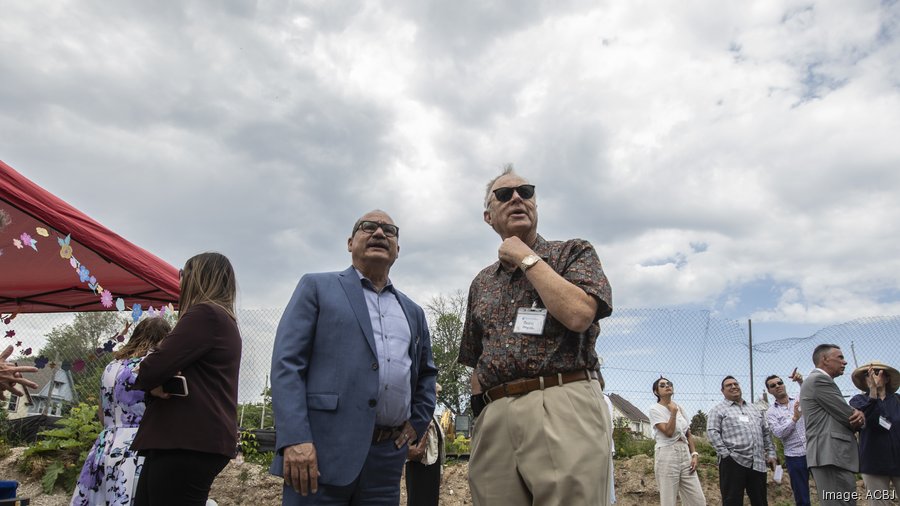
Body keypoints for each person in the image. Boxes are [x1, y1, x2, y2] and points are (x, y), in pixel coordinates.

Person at [458, 166, 614, 505]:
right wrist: (481, 418)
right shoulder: (481, 283)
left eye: (525, 192)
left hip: (561, 400)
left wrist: (525, 257)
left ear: (535, 205)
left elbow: (579, 314)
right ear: (489, 216)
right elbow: (476, 360)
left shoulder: (572, 253)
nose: (516, 197)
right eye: (504, 194)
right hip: (494, 415)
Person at [270, 210, 438, 505]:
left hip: (385, 465)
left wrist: (418, 421)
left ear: (398, 248)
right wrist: (295, 439)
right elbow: (287, 365)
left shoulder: (413, 312)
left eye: (389, 230)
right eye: (368, 227)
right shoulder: (317, 288)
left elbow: (426, 374)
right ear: (350, 243)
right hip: (317, 457)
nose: (379, 233)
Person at [131, 252, 243, 506]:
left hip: (186, 440)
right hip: (194, 440)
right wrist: (156, 384)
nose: (180, 281)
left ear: (200, 278)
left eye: (184, 274)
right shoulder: (225, 320)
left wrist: (154, 380)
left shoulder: (205, 315)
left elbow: (151, 367)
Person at [71, 316, 172, 506]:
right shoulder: (152, 366)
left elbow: (102, 415)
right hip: (138, 447)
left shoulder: (111, 366)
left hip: (104, 444)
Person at [800, 344, 865, 506]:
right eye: (840, 357)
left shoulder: (816, 381)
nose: (845, 362)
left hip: (830, 456)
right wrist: (860, 415)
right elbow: (849, 416)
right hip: (831, 455)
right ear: (825, 360)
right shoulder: (819, 380)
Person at [707, 376, 777, 506]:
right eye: (729, 385)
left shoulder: (755, 409)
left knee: (761, 501)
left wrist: (771, 454)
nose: (733, 386)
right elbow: (712, 432)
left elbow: (766, 433)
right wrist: (726, 455)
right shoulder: (718, 410)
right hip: (733, 462)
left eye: (735, 384)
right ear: (722, 391)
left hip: (758, 462)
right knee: (732, 501)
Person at [849, 360, 900, 505]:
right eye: (867, 374)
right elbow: (868, 419)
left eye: (877, 372)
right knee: (879, 502)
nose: (872, 376)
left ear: (887, 378)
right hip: (873, 464)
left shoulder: (898, 401)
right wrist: (873, 394)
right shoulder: (858, 401)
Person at [649, 377, 706, 506]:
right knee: (668, 500)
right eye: (662, 385)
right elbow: (668, 432)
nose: (667, 386)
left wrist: (694, 454)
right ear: (656, 391)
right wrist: (673, 413)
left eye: (669, 384)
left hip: (685, 453)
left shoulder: (680, 407)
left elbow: (688, 434)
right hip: (667, 454)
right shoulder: (655, 409)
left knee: (698, 500)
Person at [765, 370, 811, 506]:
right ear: (769, 391)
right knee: (802, 496)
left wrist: (800, 381)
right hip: (794, 457)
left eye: (780, 382)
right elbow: (779, 433)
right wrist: (794, 419)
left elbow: (809, 392)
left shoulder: (798, 400)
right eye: (773, 385)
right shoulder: (771, 412)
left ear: (784, 385)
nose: (777, 386)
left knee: (825, 489)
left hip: (814, 451)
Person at [405, 383, 445, 506]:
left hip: (432, 468)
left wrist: (441, 469)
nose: (436, 397)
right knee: (418, 500)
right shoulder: (416, 414)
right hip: (419, 467)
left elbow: (438, 445)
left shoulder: (432, 417)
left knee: (431, 500)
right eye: (435, 394)